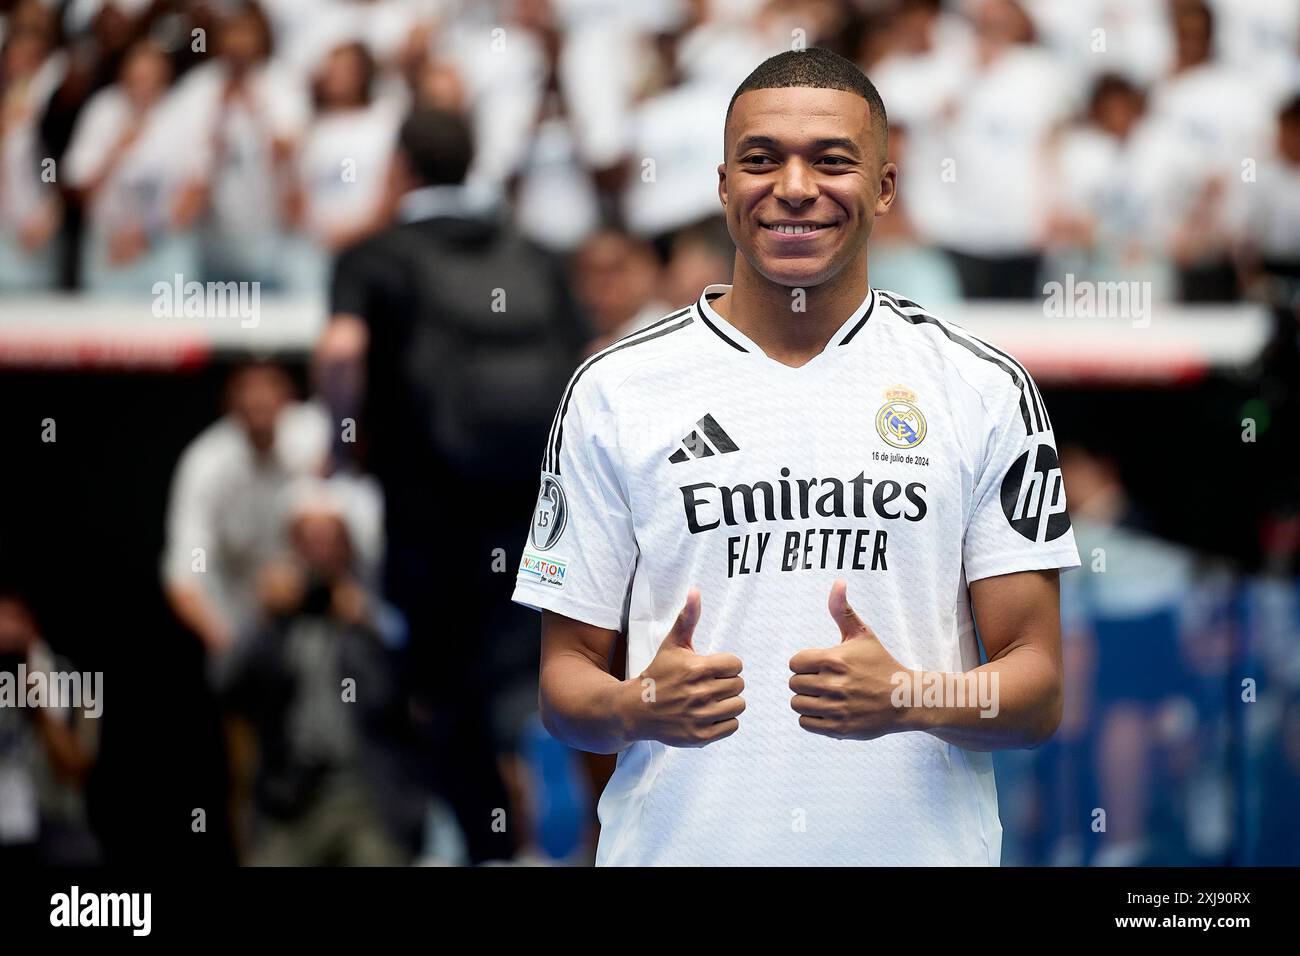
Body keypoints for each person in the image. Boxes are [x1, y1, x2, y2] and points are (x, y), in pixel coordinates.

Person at [512, 47, 1081, 866]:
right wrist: (637, 705)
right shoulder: (615, 389)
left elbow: (1038, 693)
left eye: (832, 161)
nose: (794, 187)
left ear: (885, 186)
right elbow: (565, 691)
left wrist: (911, 697)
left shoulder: (981, 388)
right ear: (721, 185)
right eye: (761, 159)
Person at [320, 105, 587, 863]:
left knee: (441, 694)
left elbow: (342, 351)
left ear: (401, 168)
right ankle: (550, 846)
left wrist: (341, 450)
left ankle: (487, 845)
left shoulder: (373, 255)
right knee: (532, 686)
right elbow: (590, 360)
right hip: (537, 516)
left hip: (429, 518)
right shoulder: (536, 255)